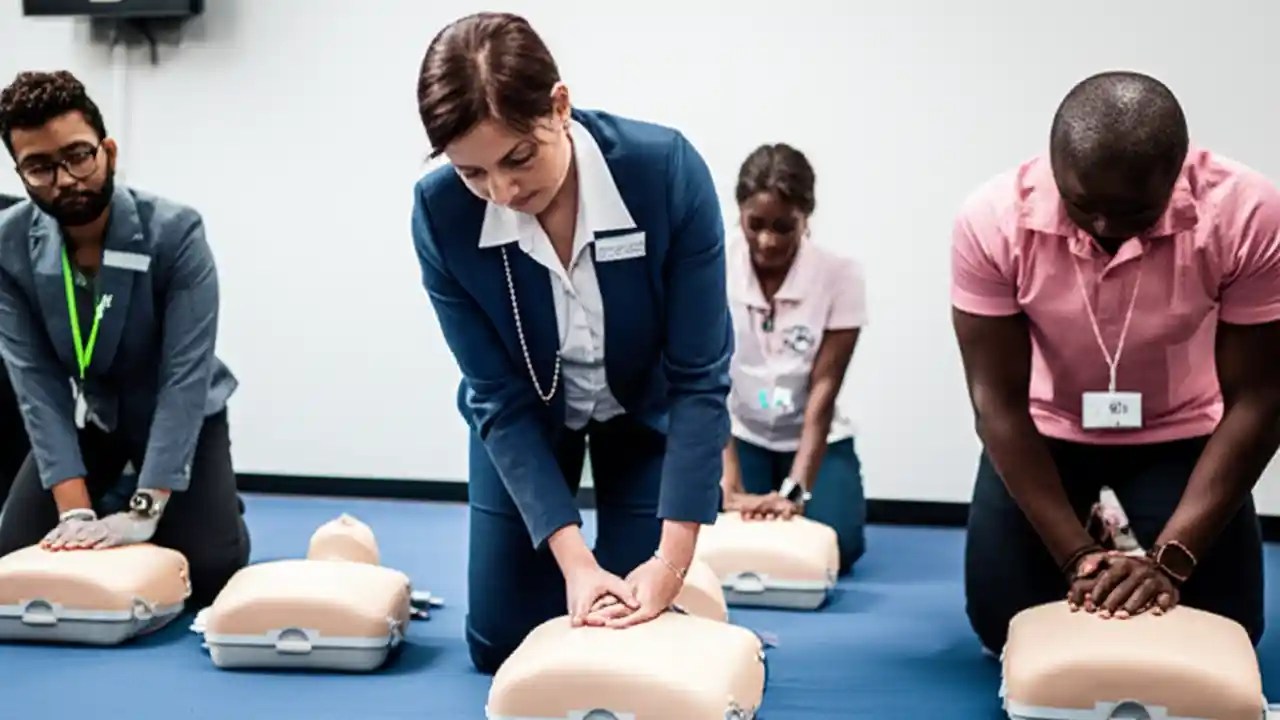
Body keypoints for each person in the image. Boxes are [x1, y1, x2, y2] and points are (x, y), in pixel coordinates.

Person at [411, 12, 733, 673]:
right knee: (501, 644)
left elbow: (700, 379)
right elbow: (496, 398)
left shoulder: (664, 173)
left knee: (640, 631)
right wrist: (575, 564)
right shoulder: (440, 215)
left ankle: (696, 581)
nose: (503, 192)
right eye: (474, 173)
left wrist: (671, 564)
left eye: (517, 158)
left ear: (559, 107)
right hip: (529, 421)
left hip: (646, 416)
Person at [951, 70, 1280, 655]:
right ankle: (1098, 536)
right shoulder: (991, 219)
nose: (1104, 227)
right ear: (1054, 169)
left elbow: (1261, 397)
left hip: (1182, 432)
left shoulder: (1248, 211)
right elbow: (994, 403)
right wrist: (1076, 555)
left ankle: (1136, 533)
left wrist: (1172, 558)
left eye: (1133, 213)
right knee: (1002, 622)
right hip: (1046, 432)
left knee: (1227, 626)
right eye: (1084, 205)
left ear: (1177, 174)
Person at [0, 70, 250, 608]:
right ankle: (107, 493)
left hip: (183, 413)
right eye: (40, 167)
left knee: (210, 568)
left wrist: (144, 512)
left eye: (78, 155)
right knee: (17, 546)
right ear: (20, 173)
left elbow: (186, 376)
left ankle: (207, 500)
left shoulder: (176, 232)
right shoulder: (8, 245)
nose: (65, 179)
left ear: (107, 150)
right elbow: (36, 384)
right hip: (103, 417)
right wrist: (75, 512)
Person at [718, 143, 868, 573]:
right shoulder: (713, 266)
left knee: (840, 545)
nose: (768, 240)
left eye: (784, 227)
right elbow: (707, 379)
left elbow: (823, 391)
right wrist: (728, 481)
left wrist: (798, 488)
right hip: (739, 431)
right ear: (740, 214)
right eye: (756, 224)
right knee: (708, 518)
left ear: (806, 219)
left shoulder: (840, 276)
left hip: (813, 435)